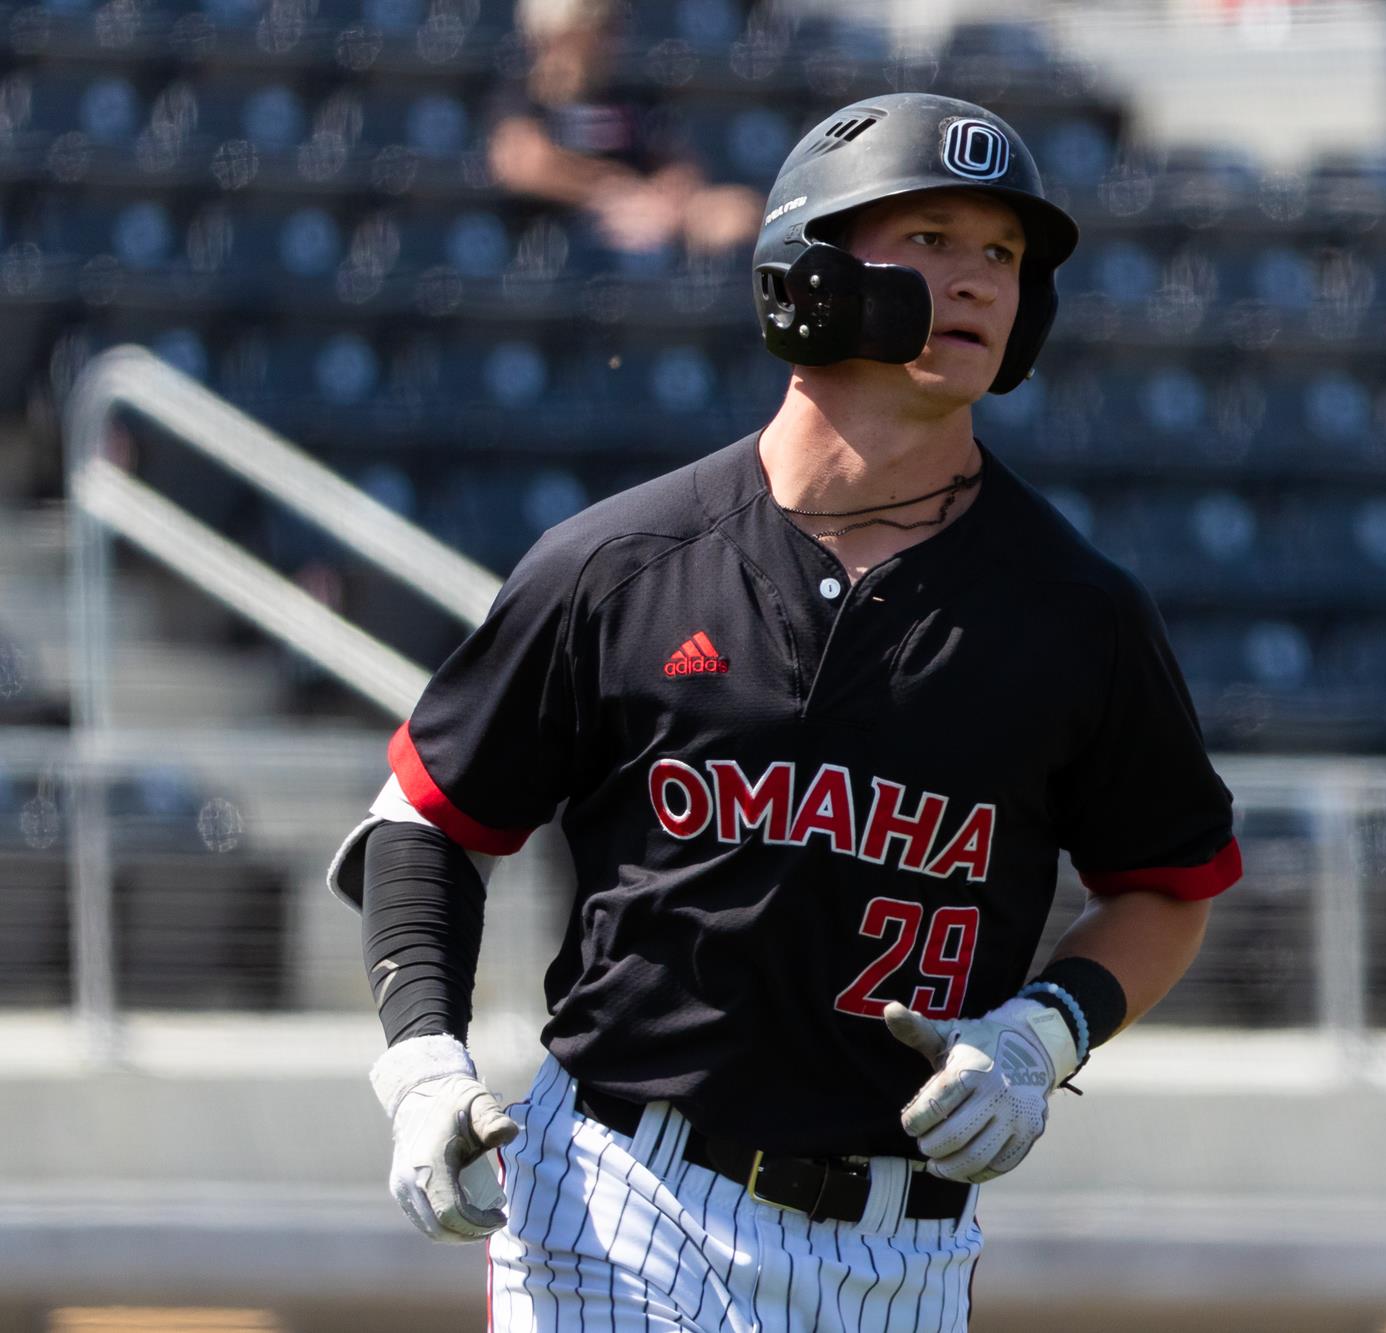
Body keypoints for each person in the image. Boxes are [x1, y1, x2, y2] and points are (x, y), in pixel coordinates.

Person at [328, 92, 1241, 1331]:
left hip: (901, 1248)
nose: (973, 279)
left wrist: (1041, 1035)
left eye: (1002, 254)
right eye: (927, 237)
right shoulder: (620, 562)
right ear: (805, 269)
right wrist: (421, 1062)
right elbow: (425, 822)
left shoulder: (1076, 613)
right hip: (614, 1194)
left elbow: (1167, 882)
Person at [487, 0, 761, 256]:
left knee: (738, 214)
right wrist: (617, 193)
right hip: (562, 238)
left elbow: (679, 164)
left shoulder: (630, 96)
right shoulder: (526, 92)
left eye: (612, 28)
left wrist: (665, 200)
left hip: (645, 223)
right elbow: (521, 164)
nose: (610, 39)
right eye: (599, 29)